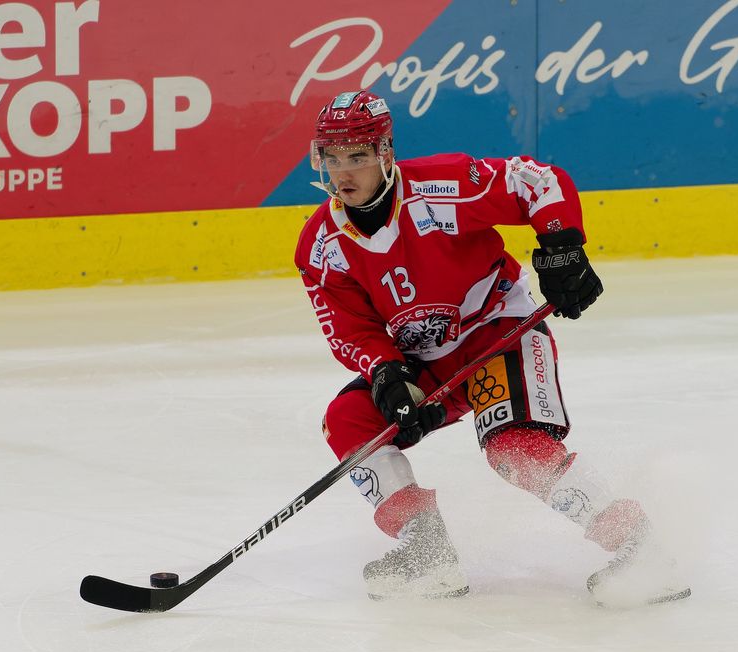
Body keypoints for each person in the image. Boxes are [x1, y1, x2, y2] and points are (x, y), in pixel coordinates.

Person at [293, 90, 690, 607]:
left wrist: (562, 247)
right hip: (426, 362)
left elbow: (536, 181)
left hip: (499, 333)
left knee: (514, 448)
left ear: (385, 152)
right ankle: (427, 552)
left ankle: (641, 549)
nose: (343, 173)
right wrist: (388, 374)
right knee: (349, 419)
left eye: (357, 156)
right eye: (332, 158)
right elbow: (350, 328)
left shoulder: (440, 188)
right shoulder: (321, 246)